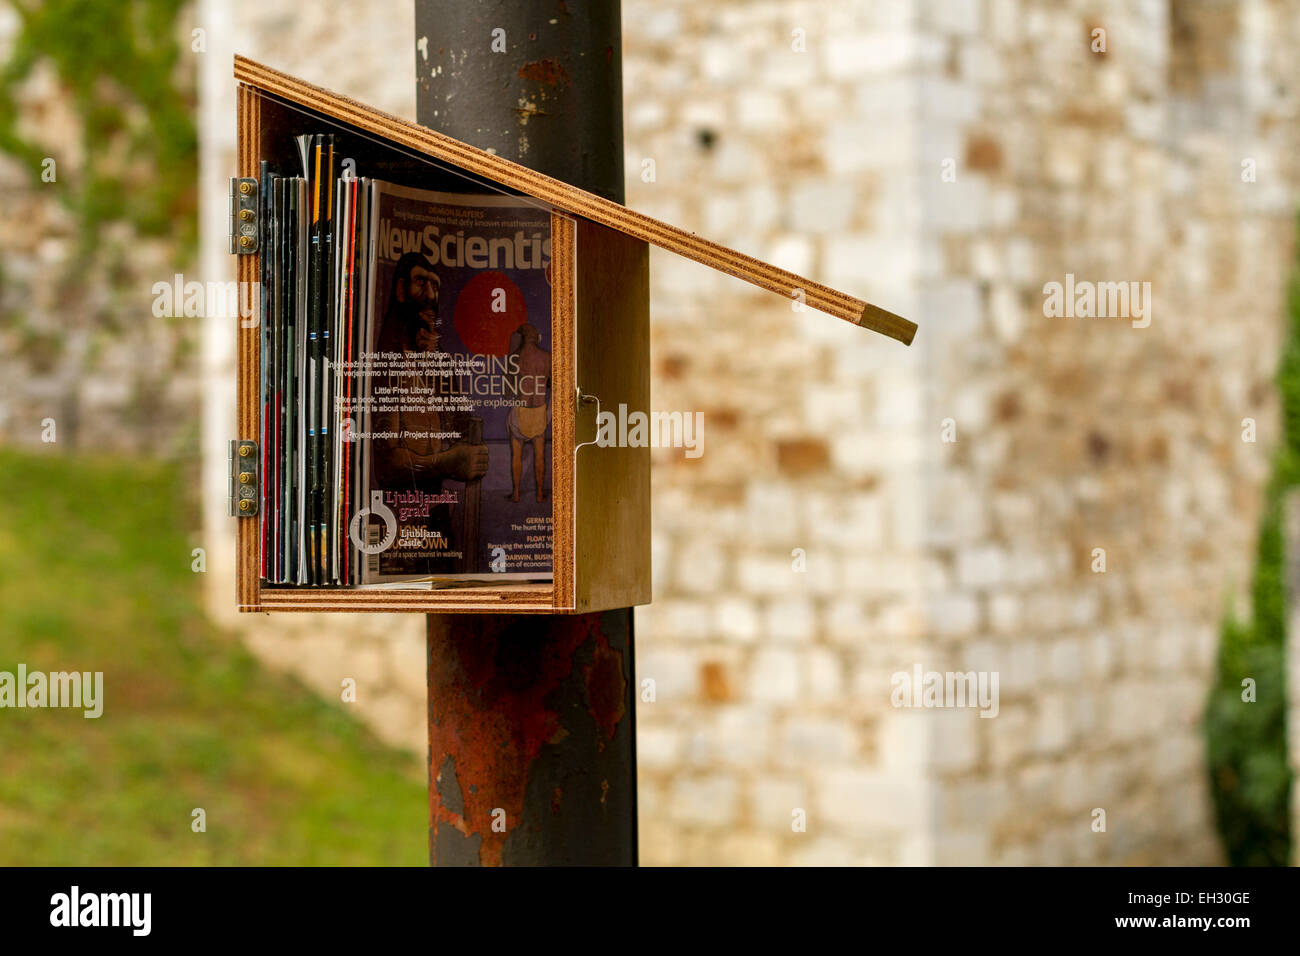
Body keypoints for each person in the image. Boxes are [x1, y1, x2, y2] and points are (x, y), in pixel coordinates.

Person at [504, 322, 550, 502]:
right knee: (540, 455)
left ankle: (516, 494)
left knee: (516, 454)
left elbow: (508, 392)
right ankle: (539, 494)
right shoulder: (547, 357)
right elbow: (552, 386)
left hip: (520, 412)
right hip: (539, 411)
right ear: (536, 337)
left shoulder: (515, 357)